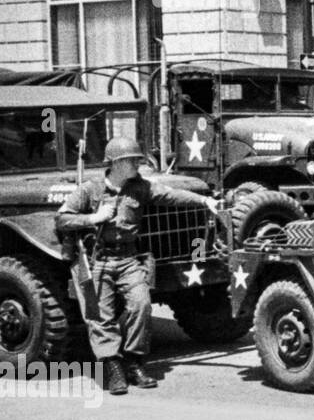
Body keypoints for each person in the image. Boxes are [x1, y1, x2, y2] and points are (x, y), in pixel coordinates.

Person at [55, 137, 221, 395]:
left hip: (128, 259)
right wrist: (93, 218)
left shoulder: (139, 187)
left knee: (141, 305)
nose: (138, 164)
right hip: (97, 260)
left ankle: (134, 362)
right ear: (118, 163)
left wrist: (204, 201)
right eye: (133, 160)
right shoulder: (90, 189)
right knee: (100, 316)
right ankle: (113, 367)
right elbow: (62, 218)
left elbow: (170, 195)